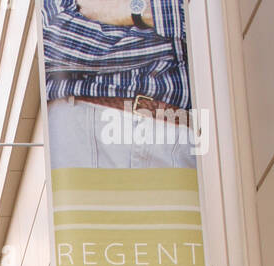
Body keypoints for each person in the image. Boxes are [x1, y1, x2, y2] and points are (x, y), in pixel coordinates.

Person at [42, 0, 196, 172]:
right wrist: (174, 40)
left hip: (181, 135)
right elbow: (52, 39)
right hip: (90, 128)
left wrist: (133, 11)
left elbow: (202, 19)